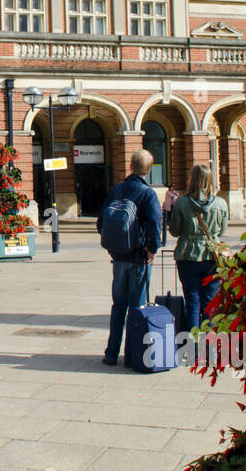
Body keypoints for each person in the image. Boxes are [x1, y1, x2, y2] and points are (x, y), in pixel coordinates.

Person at [96, 149, 162, 367]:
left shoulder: (117, 189)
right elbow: (154, 225)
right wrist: (152, 249)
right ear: (149, 169)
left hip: (118, 257)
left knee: (118, 306)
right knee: (137, 307)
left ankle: (111, 353)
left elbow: (101, 222)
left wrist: (114, 247)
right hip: (139, 257)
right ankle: (133, 355)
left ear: (131, 166)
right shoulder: (147, 193)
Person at [168, 163, 229, 338]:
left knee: (192, 303)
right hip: (212, 257)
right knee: (210, 303)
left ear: (192, 180)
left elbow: (174, 231)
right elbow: (222, 231)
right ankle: (209, 347)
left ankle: (192, 348)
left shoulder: (182, 202)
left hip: (187, 255)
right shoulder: (221, 203)